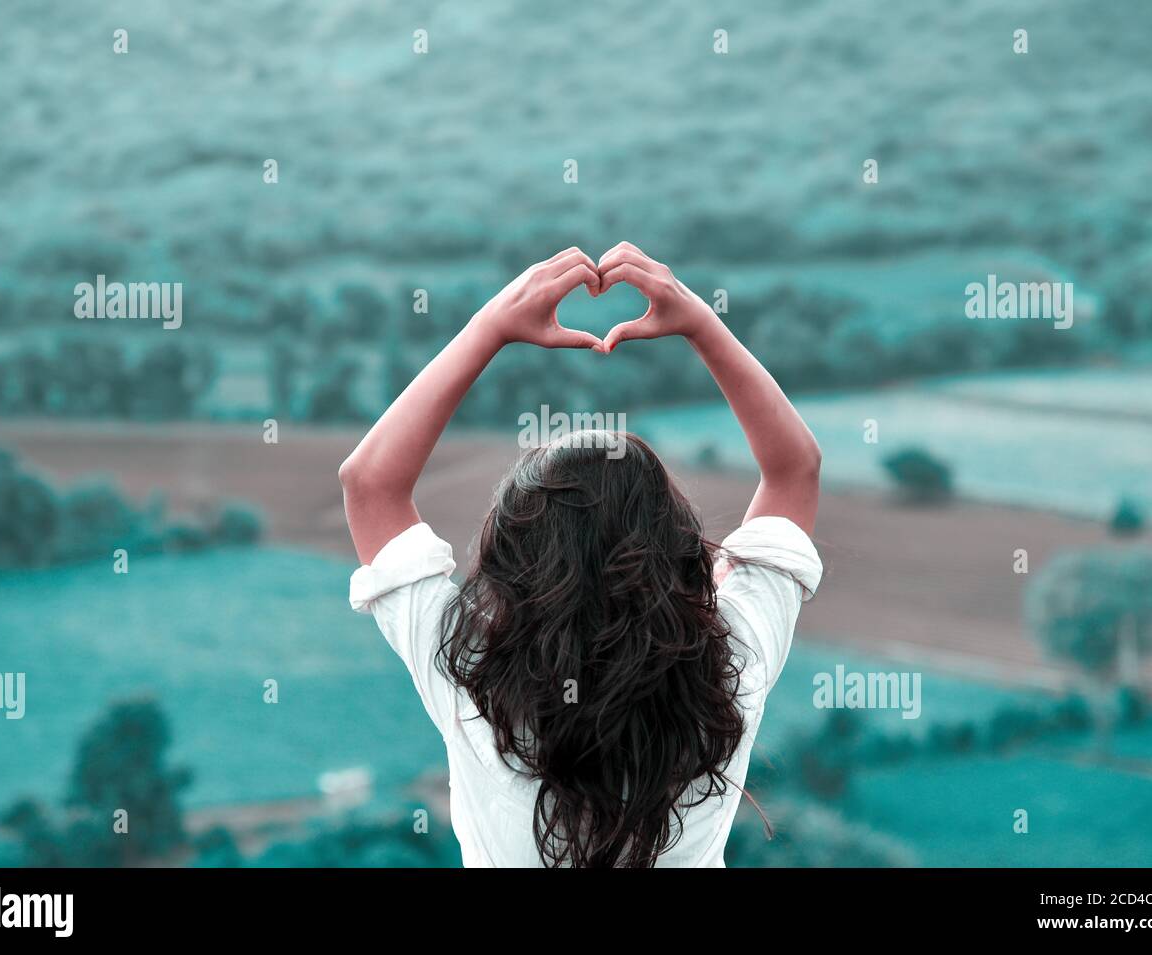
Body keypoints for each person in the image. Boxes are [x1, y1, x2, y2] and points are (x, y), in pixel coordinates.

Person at [340, 242, 822, 867]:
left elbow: (369, 483)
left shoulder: (468, 673)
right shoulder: (732, 661)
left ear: (510, 563)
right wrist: (700, 323)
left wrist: (491, 326)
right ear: (674, 548)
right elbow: (795, 469)